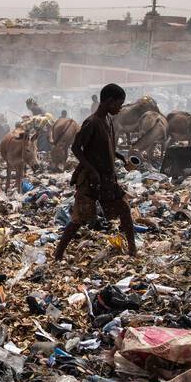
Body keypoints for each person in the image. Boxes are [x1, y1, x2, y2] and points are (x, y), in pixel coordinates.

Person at [54, 84, 135, 260]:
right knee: (79, 219)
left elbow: (106, 147)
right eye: (119, 104)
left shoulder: (109, 121)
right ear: (108, 101)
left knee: (124, 209)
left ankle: (133, 252)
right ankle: (58, 254)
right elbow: (76, 148)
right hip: (91, 180)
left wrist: (119, 156)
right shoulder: (92, 122)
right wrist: (91, 170)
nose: (120, 108)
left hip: (107, 179)